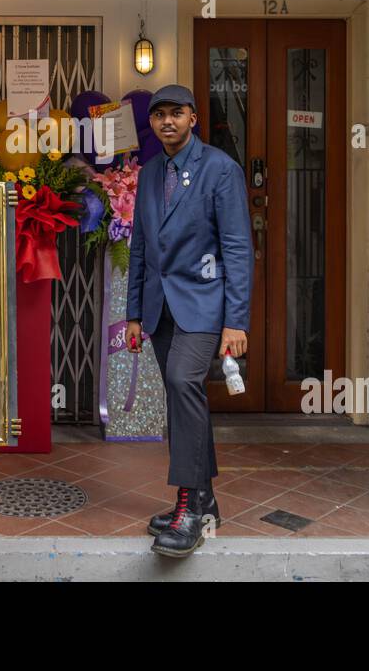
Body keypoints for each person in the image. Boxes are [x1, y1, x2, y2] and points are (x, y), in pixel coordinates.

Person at [126, 84, 253, 558]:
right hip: (159, 308)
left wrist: (236, 320)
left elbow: (238, 248)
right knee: (185, 397)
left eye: (176, 113)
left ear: (194, 118)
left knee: (183, 382)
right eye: (159, 115)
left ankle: (189, 511)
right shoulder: (150, 172)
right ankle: (204, 498)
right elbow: (139, 243)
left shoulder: (221, 169)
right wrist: (134, 312)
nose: (167, 122)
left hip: (204, 304)